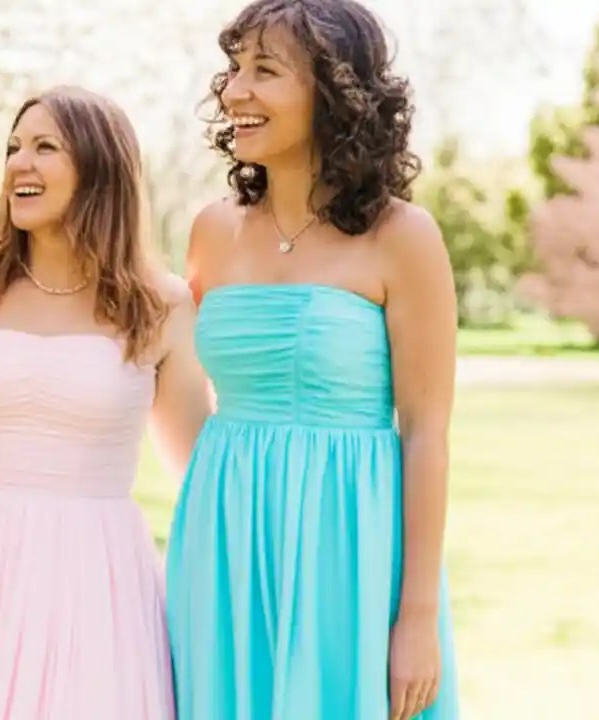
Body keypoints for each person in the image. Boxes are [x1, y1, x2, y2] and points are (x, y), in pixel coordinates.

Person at [0, 85, 211, 719]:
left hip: (94, 578)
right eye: (13, 148)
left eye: (45, 147)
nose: (19, 164)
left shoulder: (160, 304)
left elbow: (206, 468)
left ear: (100, 167)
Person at [165, 2, 460, 719]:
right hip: (225, 540)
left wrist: (416, 616)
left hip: (351, 542)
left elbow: (426, 431)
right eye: (234, 69)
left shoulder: (403, 236)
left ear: (336, 91)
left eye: (265, 71)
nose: (235, 91)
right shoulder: (212, 231)